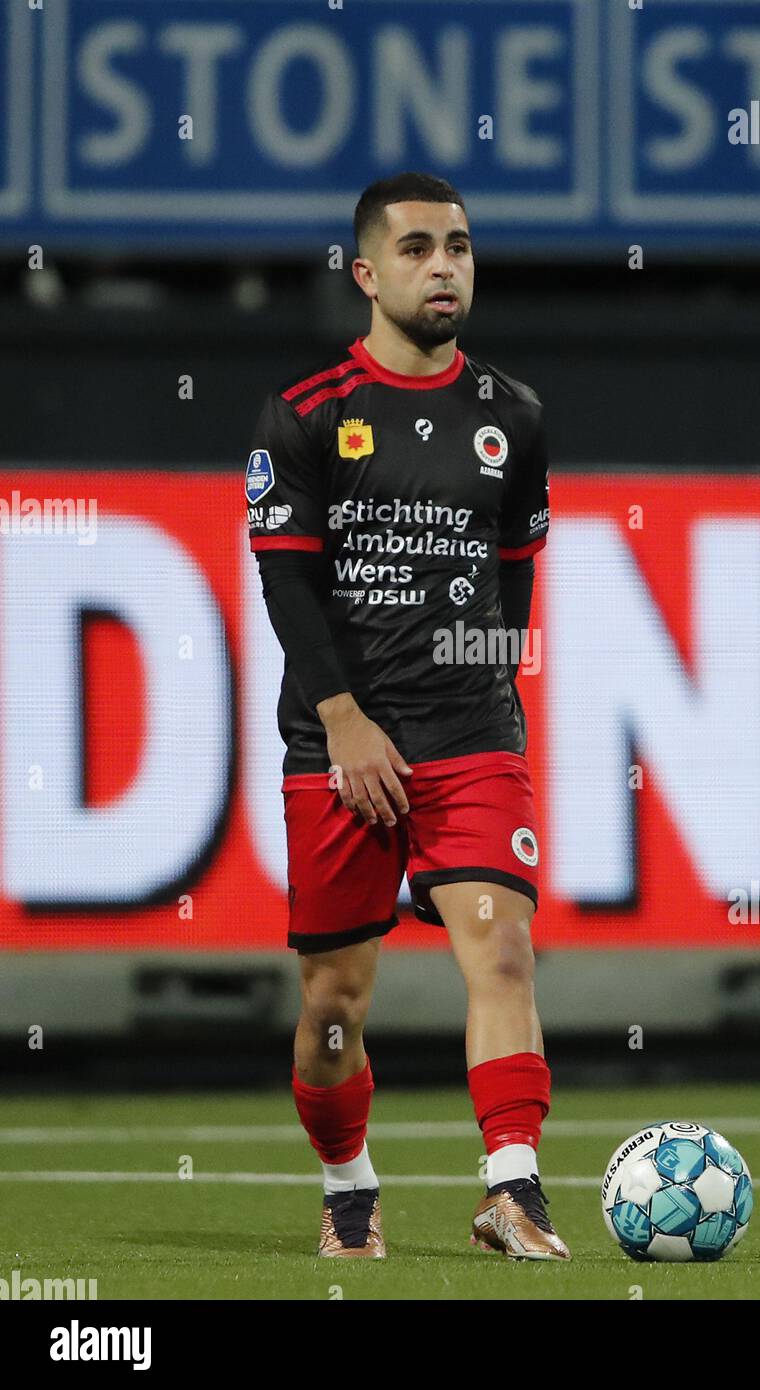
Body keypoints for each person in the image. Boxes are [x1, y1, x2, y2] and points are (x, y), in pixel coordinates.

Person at [247, 171, 566, 1262]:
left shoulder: (512, 417)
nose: (446, 266)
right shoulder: (305, 415)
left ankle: (512, 1187)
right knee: (336, 1001)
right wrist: (342, 717)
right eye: (421, 247)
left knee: (504, 949)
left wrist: (489, 688)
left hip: (469, 737)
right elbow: (288, 586)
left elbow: (514, 579)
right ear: (367, 273)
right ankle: (349, 1187)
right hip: (338, 743)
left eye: (462, 247)